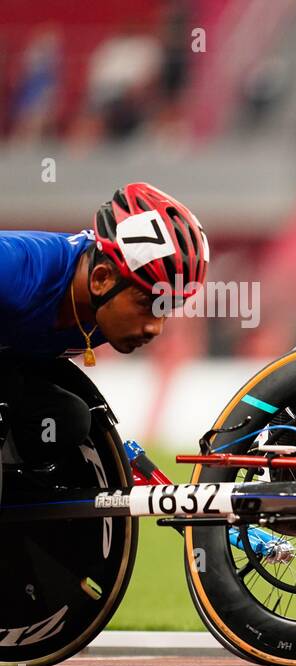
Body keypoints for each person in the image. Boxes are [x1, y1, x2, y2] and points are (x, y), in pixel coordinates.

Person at [0, 182, 208, 467]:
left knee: (68, 418)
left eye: (165, 309)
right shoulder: (14, 272)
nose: (155, 328)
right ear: (101, 280)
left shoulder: (103, 299)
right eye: (147, 305)